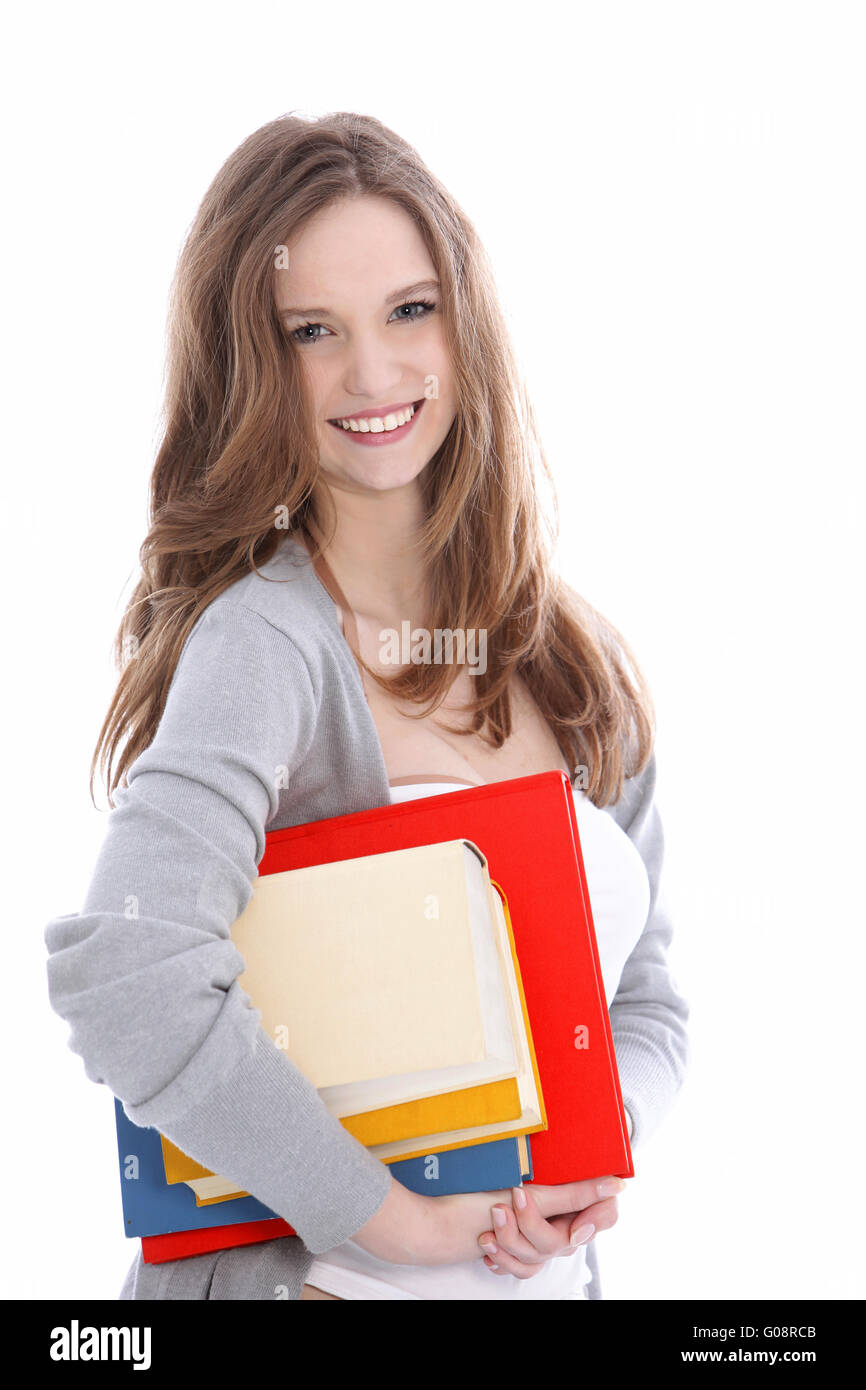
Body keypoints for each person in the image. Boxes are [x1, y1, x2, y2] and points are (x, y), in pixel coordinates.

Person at [43, 110, 689, 1301]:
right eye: (311, 331)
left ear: (463, 322)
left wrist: (605, 1150)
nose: (373, 374)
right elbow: (132, 978)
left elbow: (642, 995)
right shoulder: (263, 645)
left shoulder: (573, 656)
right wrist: (385, 1217)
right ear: (255, 359)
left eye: (408, 310)